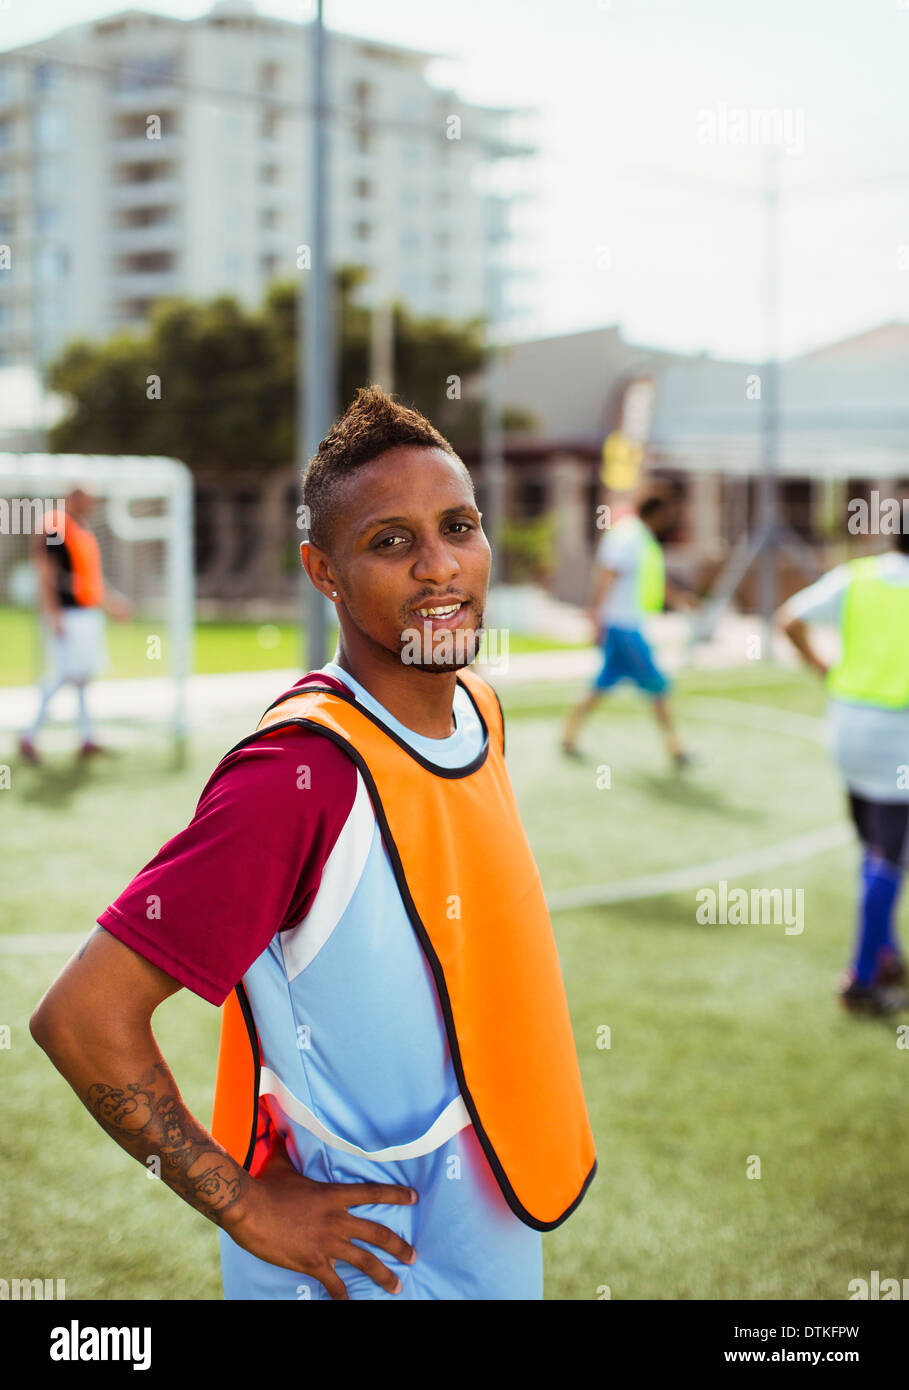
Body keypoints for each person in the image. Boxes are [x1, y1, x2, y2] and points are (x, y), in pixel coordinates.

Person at [29, 387, 596, 1301]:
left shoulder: (476, 708)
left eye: (459, 525)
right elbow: (82, 1017)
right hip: (359, 1251)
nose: (441, 567)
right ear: (322, 571)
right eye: (391, 541)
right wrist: (245, 1205)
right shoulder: (299, 777)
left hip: (485, 1205)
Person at [777, 527, 909, 1016]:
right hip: (899, 739)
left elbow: (788, 619)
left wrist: (822, 667)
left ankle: (884, 949)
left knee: (874, 845)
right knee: (890, 855)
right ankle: (862, 980)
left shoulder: (858, 577)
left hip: (848, 729)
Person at [561, 481, 698, 767]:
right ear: (656, 513)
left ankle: (569, 734)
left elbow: (648, 580)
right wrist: (595, 617)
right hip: (623, 627)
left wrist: (680, 597)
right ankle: (676, 747)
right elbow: (607, 576)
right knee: (656, 685)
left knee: (602, 684)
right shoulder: (629, 536)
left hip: (626, 624)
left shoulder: (641, 537)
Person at [18, 487, 131, 763]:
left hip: (86, 614)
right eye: (88, 498)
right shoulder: (56, 527)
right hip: (68, 615)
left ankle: (87, 736)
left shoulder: (82, 529)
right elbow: (47, 573)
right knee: (62, 674)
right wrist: (53, 612)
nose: (92, 503)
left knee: (82, 677)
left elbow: (89, 578)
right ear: (75, 497)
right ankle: (29, 735)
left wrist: (111, 602)